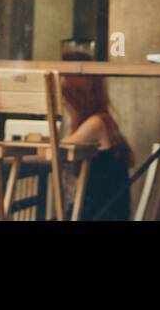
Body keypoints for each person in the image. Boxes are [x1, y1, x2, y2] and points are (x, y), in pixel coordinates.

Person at [59, 68, 135, 221]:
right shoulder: (101, 120)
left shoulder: (96, 123)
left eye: (64, 95)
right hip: (103, 212)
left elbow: (57, 150)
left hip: (102, 215)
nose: (62, 101)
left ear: (76, 97)